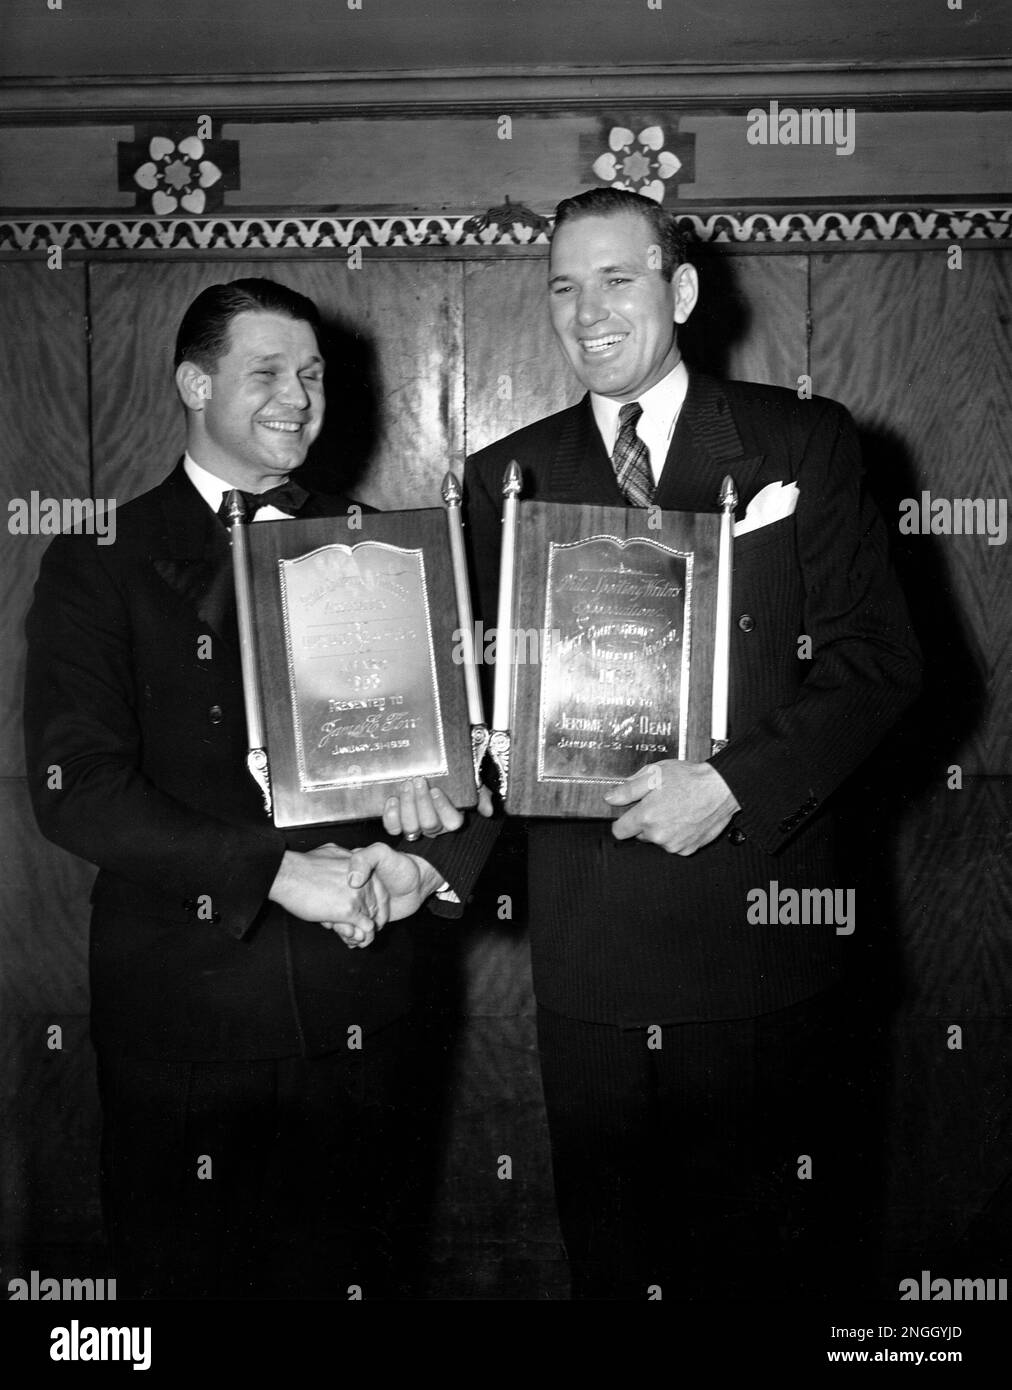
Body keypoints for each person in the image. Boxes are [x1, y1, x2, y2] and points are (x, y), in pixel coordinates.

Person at [464, 188, 922, 1299]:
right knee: (617, 1264)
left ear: (678, 290)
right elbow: (484, 690)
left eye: (617, 280)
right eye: (564, 287)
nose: (588, 313)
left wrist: (729, 785)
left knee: (772, 1265)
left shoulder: (798, 440)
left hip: (756, 928)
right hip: (590, 952)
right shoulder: (504, 475)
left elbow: (879, 667)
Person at [23, 277, 496, 1300]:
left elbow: (471, 762)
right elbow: (79, 791)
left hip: (364, 1003)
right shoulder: (99, 560)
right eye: (268, 372)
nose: (299, 396)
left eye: (314, 375)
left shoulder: (391, 544)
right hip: (184, 1023)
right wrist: (275, 873)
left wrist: (425, 854)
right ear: (194, 382)